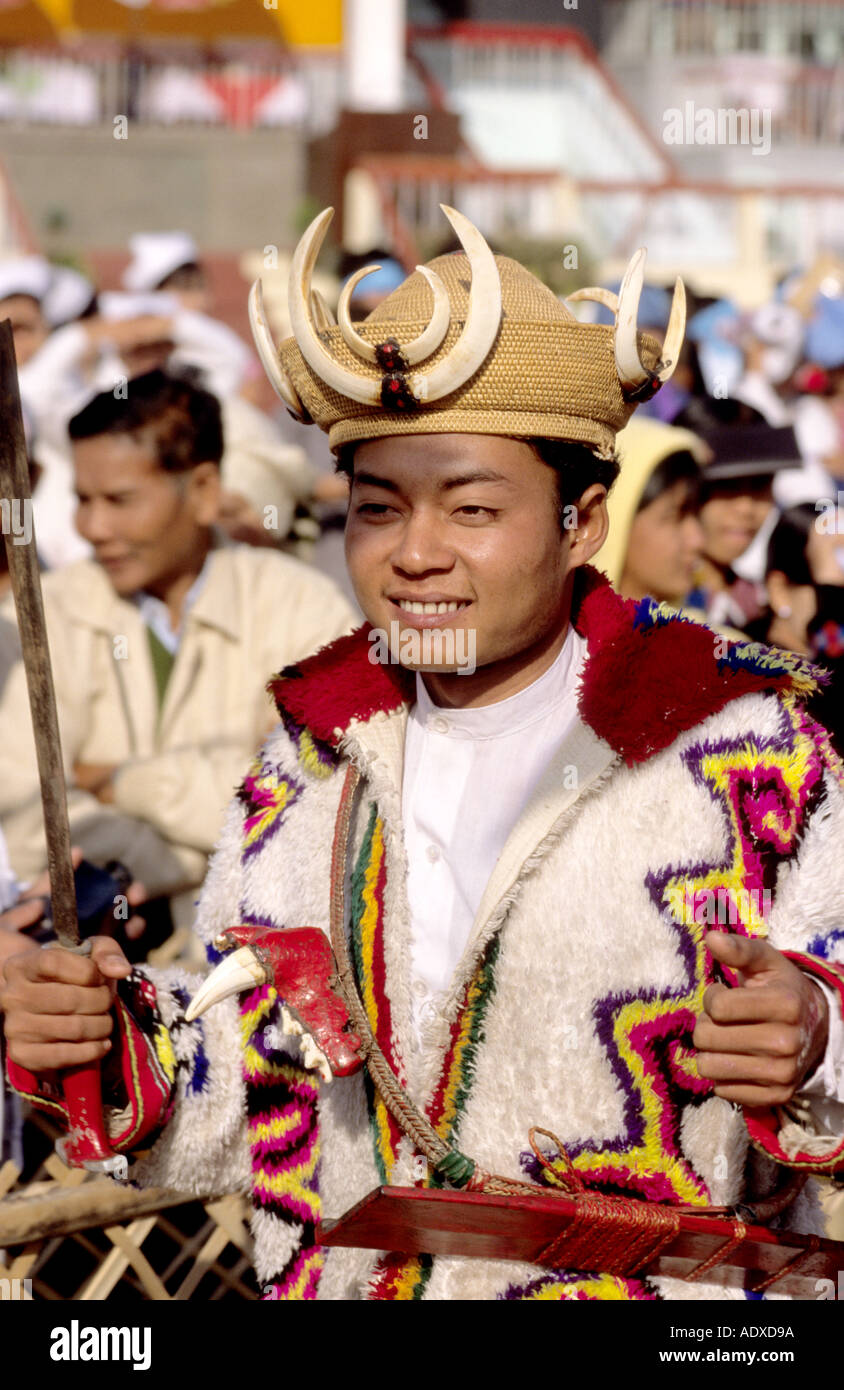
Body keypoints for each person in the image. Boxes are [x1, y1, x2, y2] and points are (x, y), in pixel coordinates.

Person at [4, 215, 844, 1302]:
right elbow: (252, 1101)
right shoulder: (309, 767)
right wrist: (99, 1039)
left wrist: (814, 1036)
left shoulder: (744, 740)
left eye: (474, 508)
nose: (413, 553)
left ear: (582, 521)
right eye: (375, 509)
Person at [0, 370, 355, 930]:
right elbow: (24, 804)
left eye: (119, 499)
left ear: (205, 491)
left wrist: (121, 781)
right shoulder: (53, 608)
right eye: (82, 499)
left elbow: (315, 803)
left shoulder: (302, 608)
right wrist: (158, 871)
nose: (92, 526)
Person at [685, 421, 802, 631]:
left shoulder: (763, 603)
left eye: (760, 484)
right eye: (726, 485)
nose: (746, 508)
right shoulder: (654, 604)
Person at [597, 418, 707, 605]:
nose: (697, 541)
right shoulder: (559, 634)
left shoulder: (715, 634)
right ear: (616, 516)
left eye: (696, 514)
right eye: (675, 517)